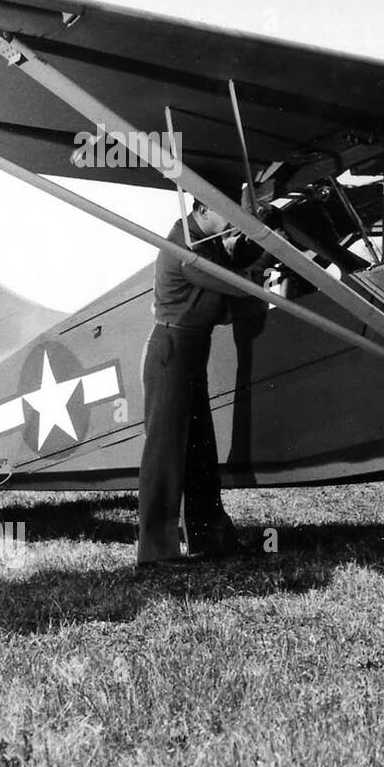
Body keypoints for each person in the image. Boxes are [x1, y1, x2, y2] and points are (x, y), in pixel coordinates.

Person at [136, 199, 268, 569]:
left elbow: (224, 299)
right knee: (164, 453)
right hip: (172, 351)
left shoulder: (206, 241)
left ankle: (210, 538)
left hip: (192, 351)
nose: (234, 220)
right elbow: (235, 285)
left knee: (200, 450)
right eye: (228, 211)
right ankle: (156, 552)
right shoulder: (184, 245)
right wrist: (263, 257)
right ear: (204, 209)